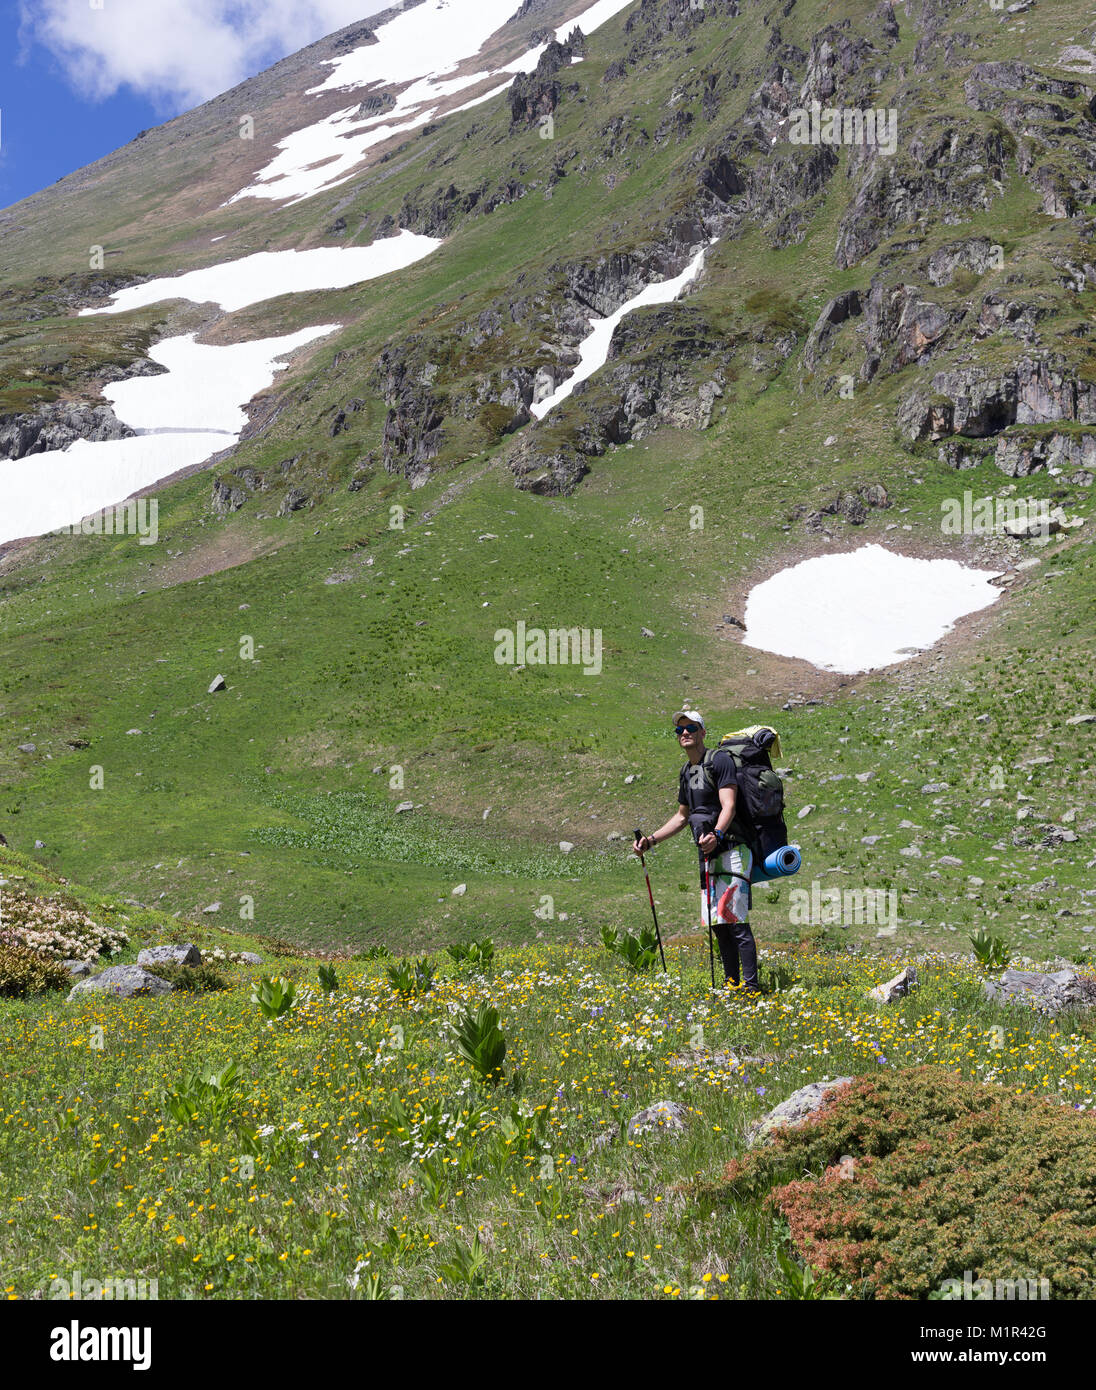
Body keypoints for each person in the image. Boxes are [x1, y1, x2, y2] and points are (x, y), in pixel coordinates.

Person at [632, 710, 760, 992]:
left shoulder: (720, 761)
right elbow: (681, 817)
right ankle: (731, 986)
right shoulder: (686, 771)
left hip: (733, 849)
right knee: (718, 923)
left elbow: (729, 805)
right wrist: (651, 841)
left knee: (736, 921)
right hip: (707, 855)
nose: (685, 733)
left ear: (703, 732)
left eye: (690, 728)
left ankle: (751, 990)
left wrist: (717, 833)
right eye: (680, 730)